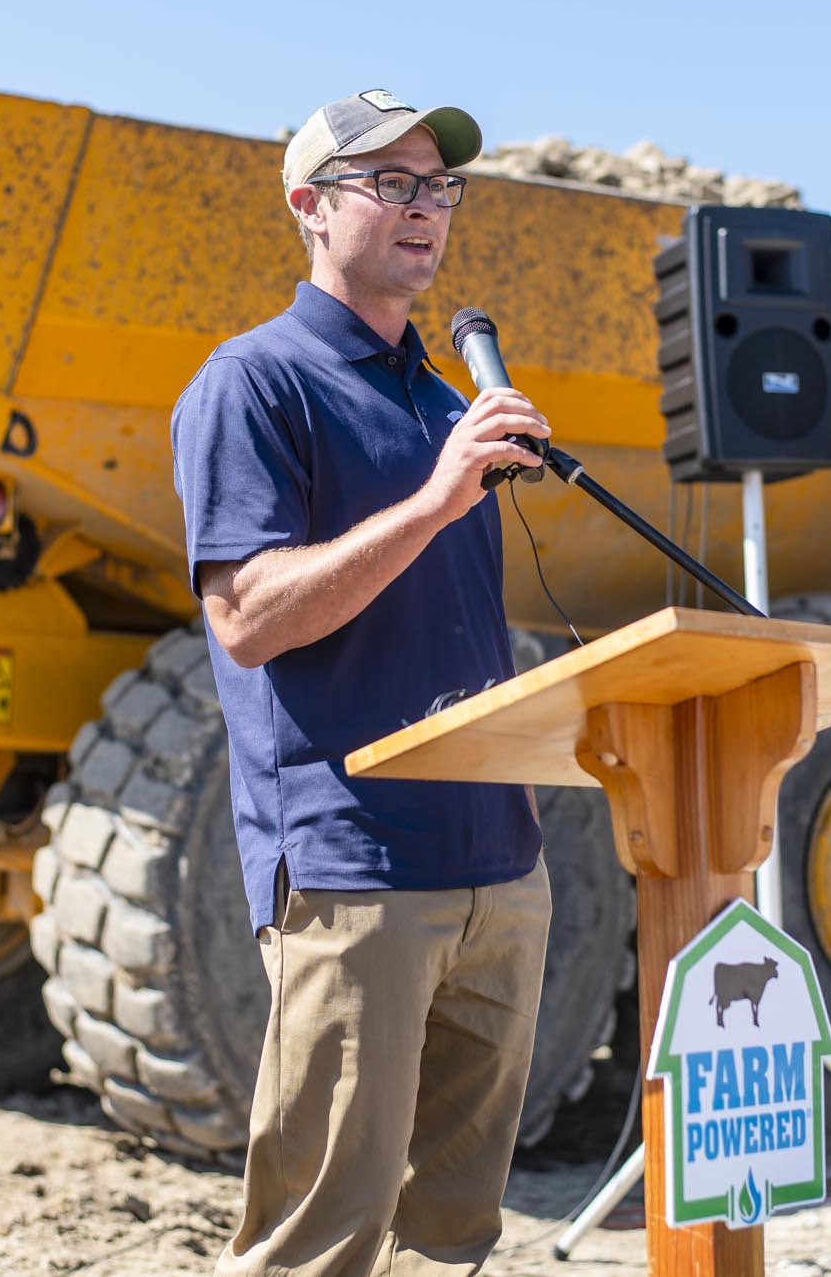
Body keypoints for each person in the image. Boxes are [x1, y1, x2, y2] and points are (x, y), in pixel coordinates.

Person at [170, 89, 554, 1277]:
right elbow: (246, 618)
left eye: (439, 188)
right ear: (308, 206)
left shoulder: (448, 400)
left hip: (500, 865)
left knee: (454, 1233)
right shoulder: (253, 383)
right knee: (319, 1240)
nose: (424, 210)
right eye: (390, 184)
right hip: (354, 866)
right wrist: (436, 501)